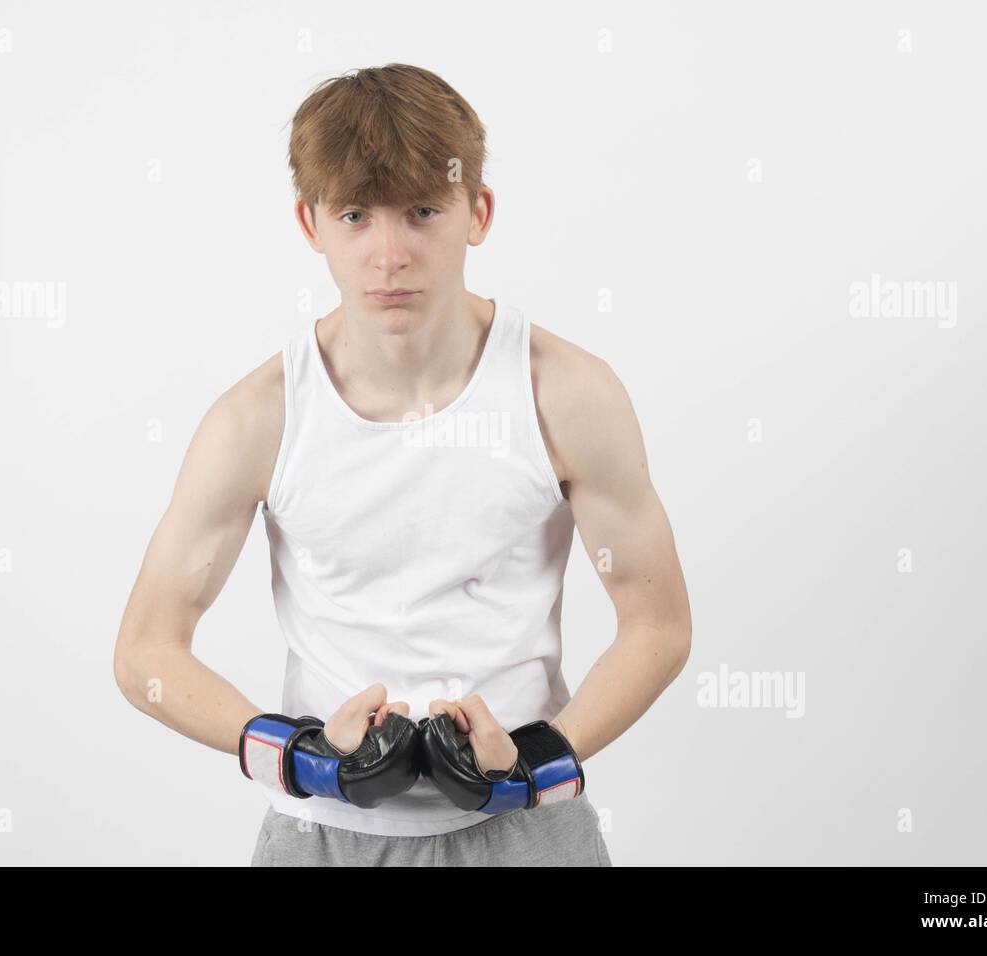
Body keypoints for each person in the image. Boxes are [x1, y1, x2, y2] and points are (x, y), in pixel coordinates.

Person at [113, 63, 692, 866]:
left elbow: (658, 625)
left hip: (528, 836)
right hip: (320, 836)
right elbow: (146, 649)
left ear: (477, 211)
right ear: (310, 224)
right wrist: (296, 752)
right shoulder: (257, 418)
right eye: (355, 215)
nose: (388, 254)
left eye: (421, 212)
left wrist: (537, 760)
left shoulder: (567, 395)